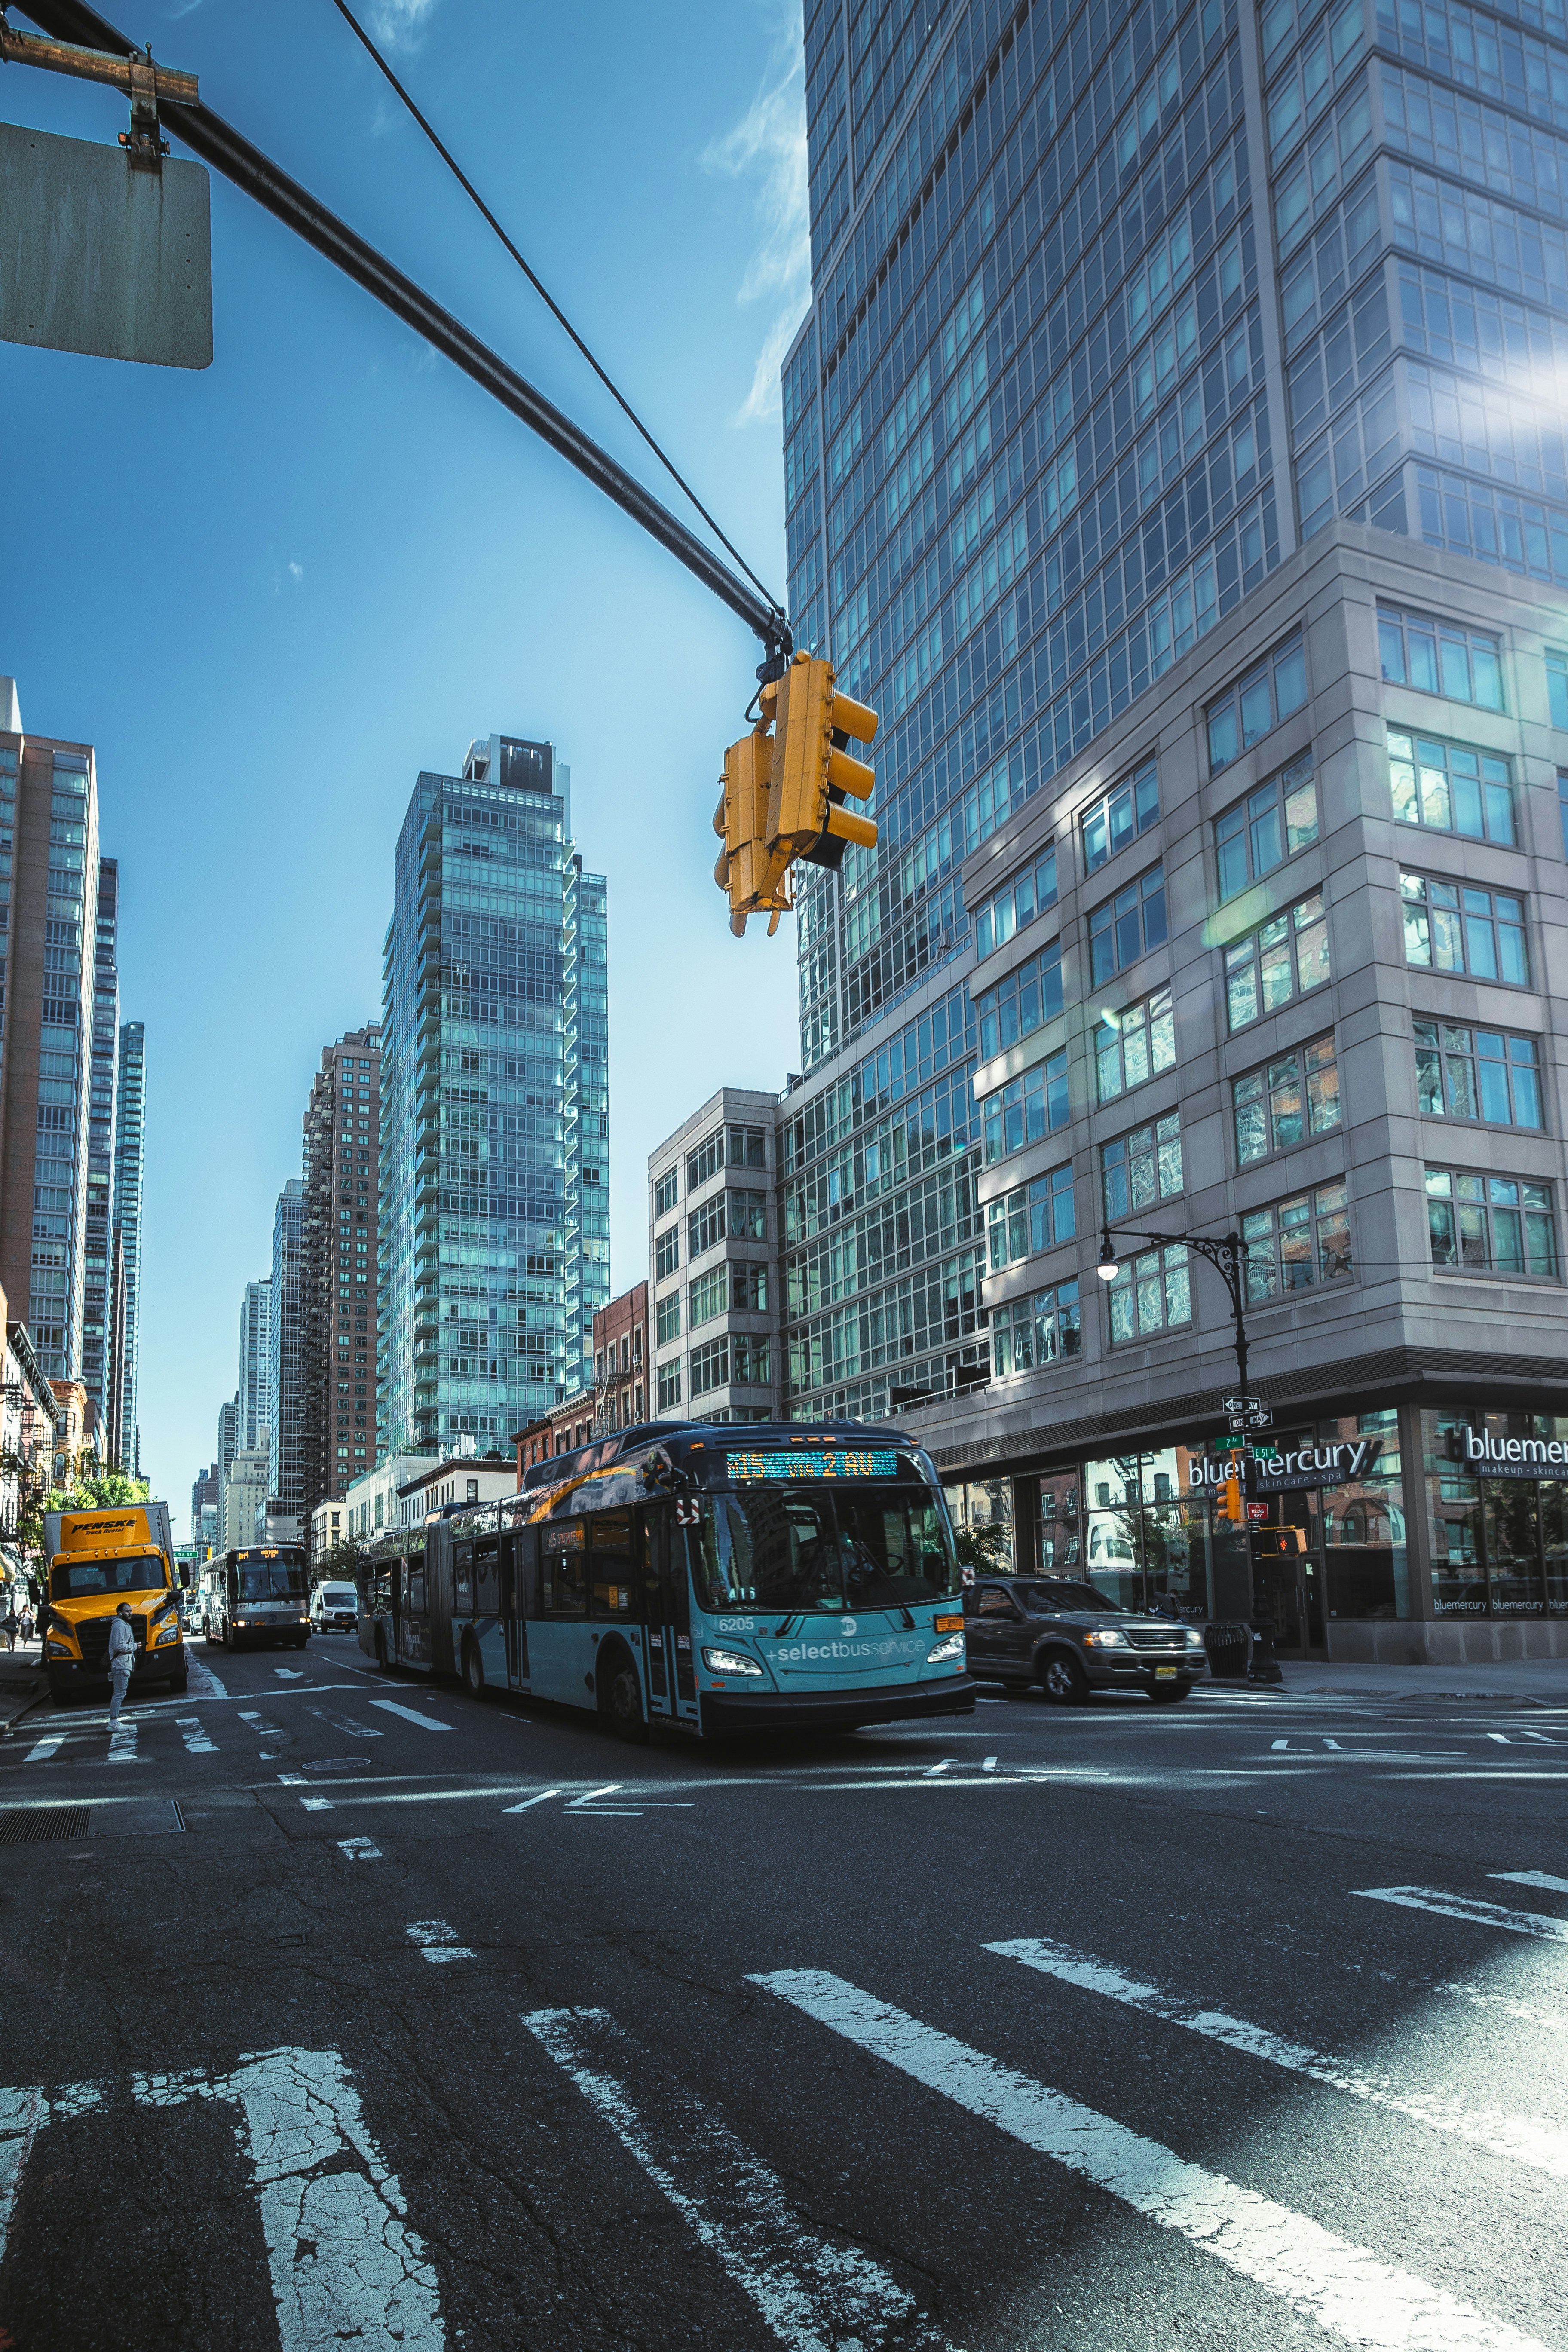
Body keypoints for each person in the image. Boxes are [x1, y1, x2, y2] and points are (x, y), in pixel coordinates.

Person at [107, 1601, 137, 1730]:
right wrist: (135, 1646)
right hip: (121, 1665)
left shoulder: (123, 1625)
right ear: (120, 1613)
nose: (130, 1613)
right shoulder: (119, 1626)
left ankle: (114, 1722)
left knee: (119, 1692)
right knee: (119, 1693)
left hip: (123, 1664)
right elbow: (118, 1646)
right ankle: (113, 1723)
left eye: (130, 1611)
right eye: (127, 1611)